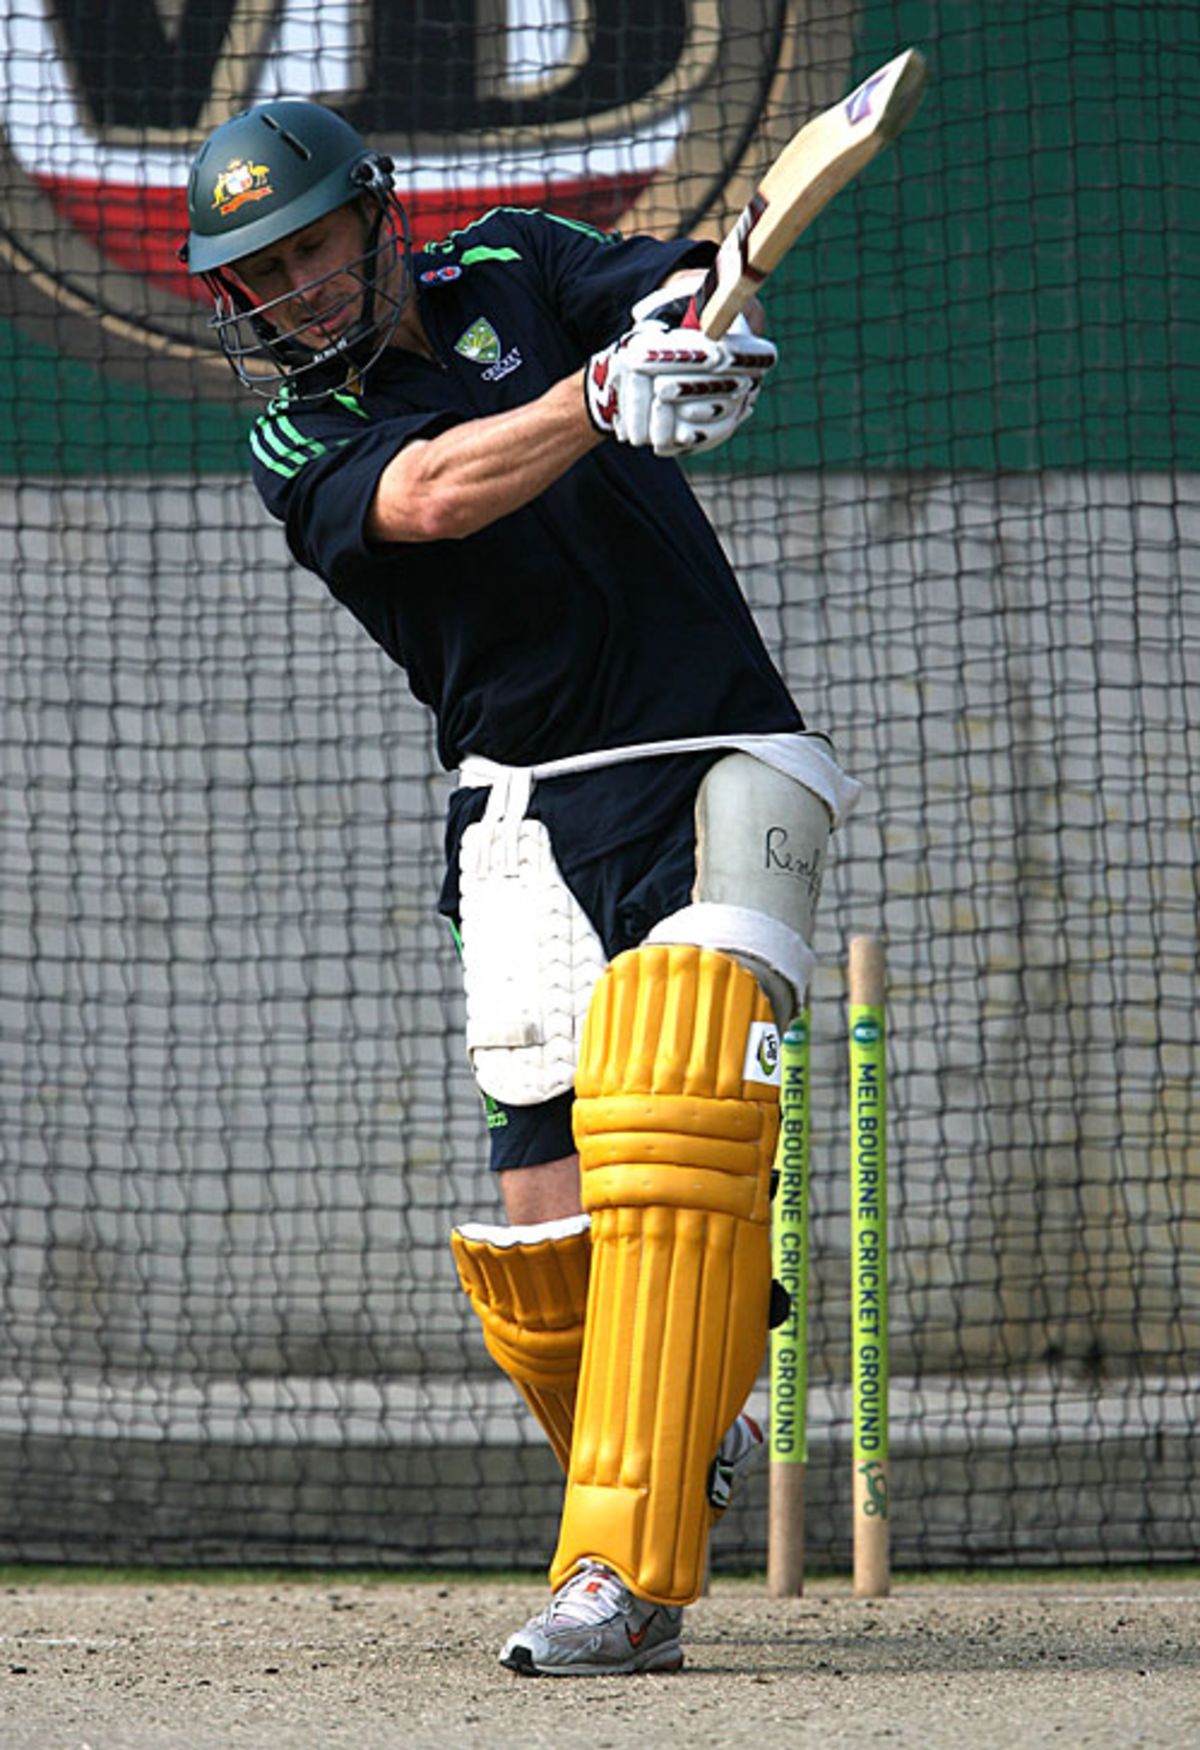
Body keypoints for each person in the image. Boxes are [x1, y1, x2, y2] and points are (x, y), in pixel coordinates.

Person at [183, 97, 858, 1676]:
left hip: (715, 750)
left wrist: (694, 338)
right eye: (257, 276)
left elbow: (663, 285)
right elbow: (430, 494)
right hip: (516, 804)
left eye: (309, 248)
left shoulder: (509, 261)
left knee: (678, 1092)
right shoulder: (295, 436)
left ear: (377, 214)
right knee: (548, 1238)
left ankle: (623, 1573)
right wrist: (601, 399)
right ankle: (681, 1419)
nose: (292, 291)